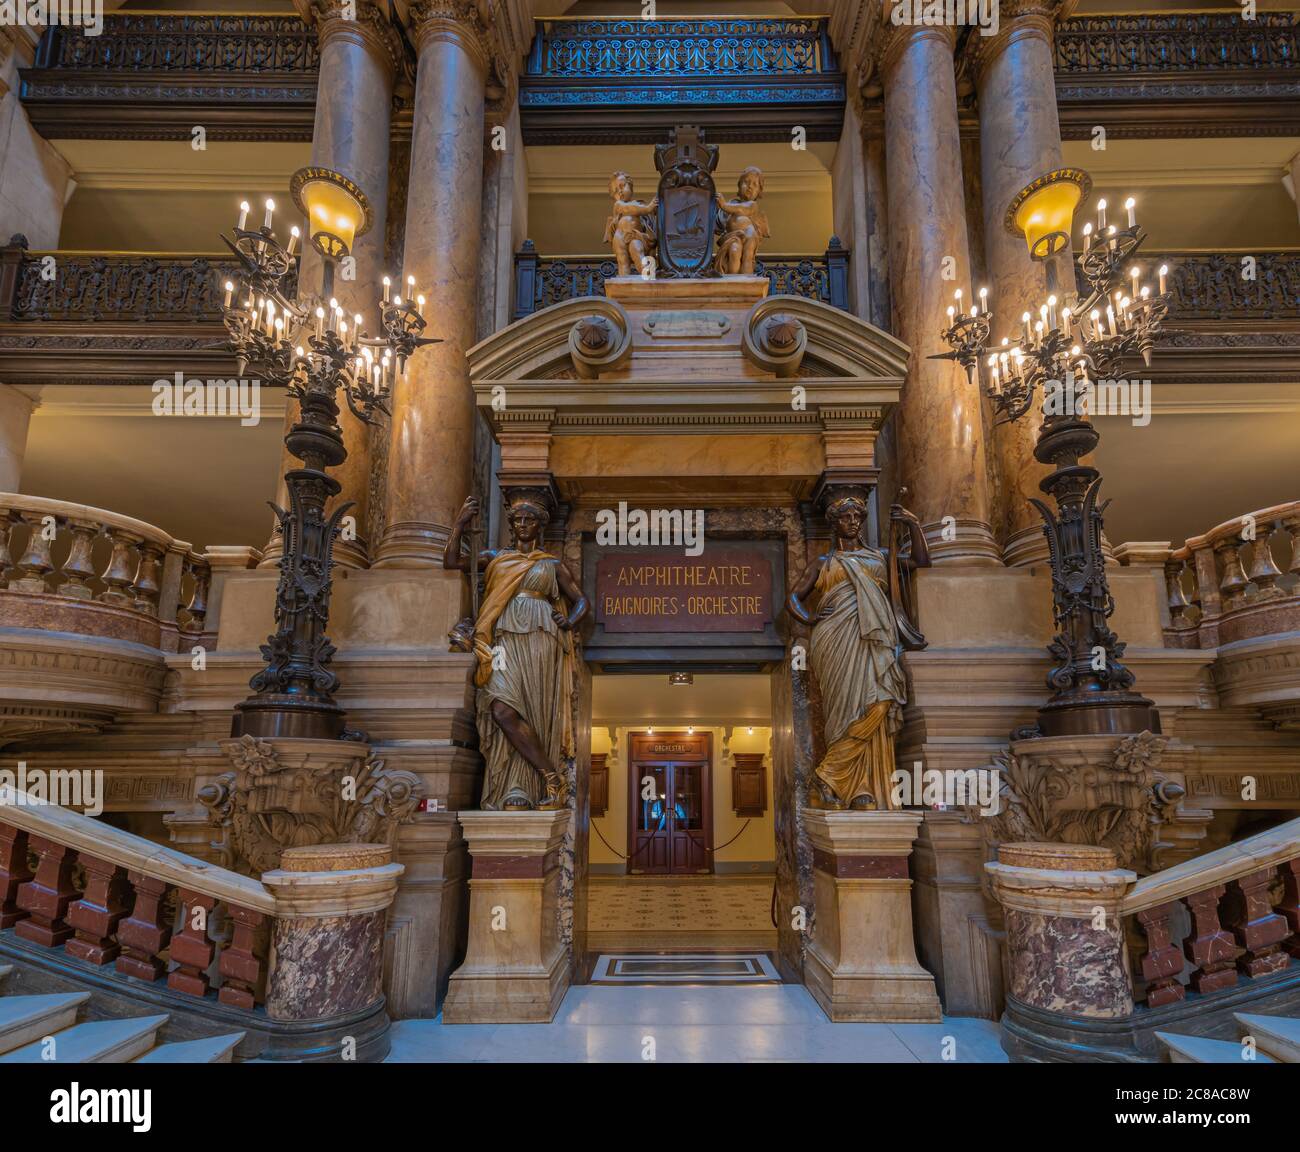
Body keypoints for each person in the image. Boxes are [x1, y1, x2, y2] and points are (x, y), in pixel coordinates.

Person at [445, 493, 588, 810]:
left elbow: (581, 601)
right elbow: (452, 561)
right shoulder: (496, 556)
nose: (522, 524)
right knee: (503, 709)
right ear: (511, 525)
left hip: (541, 638)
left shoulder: (551, 564)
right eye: (517, 520)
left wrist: (570, 620)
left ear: (539, 526)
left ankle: (526, 788)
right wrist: (458, 525)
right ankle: (550, 776)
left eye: (529, 520)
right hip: (503, 639)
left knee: (534, 711)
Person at [787, 493, 929, 810]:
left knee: (877, 703)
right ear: (834, 523)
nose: (852, 522)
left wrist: (914, 525)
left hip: (874, 642)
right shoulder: (824, 563)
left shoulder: (880, 556)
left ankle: (832, 778)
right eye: (845, 517)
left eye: (857, 517)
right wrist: (809, 618)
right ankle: (851, 786)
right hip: (835, 638)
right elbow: (793, 598)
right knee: (842, 710)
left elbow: (920, 562)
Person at [714, 166, 770, 276]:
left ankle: (746, 279)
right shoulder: (732, 203)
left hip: (749, 232)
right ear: (739, 186)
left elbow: (742, 209)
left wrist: (724, 205)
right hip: (733, 236)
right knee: (735, 251)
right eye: (746, 182)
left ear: (759, 191)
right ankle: (733, 280)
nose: (750, 186)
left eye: (755, 184)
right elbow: (720, 222)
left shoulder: (752, 205)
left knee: (747, 256)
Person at [603, 171, 658, 278]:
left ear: (631, 187)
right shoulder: (618, 205)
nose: (619, 192)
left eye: (622, 186)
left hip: (635, 235)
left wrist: (650, 210)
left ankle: (648, 276)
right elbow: (627, 208)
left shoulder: (638, 205)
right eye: (615, 191)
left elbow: (647, 222)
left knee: (636, 250)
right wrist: (648, 208)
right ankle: (624, 280)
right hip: (619, 237)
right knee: (622, 260)